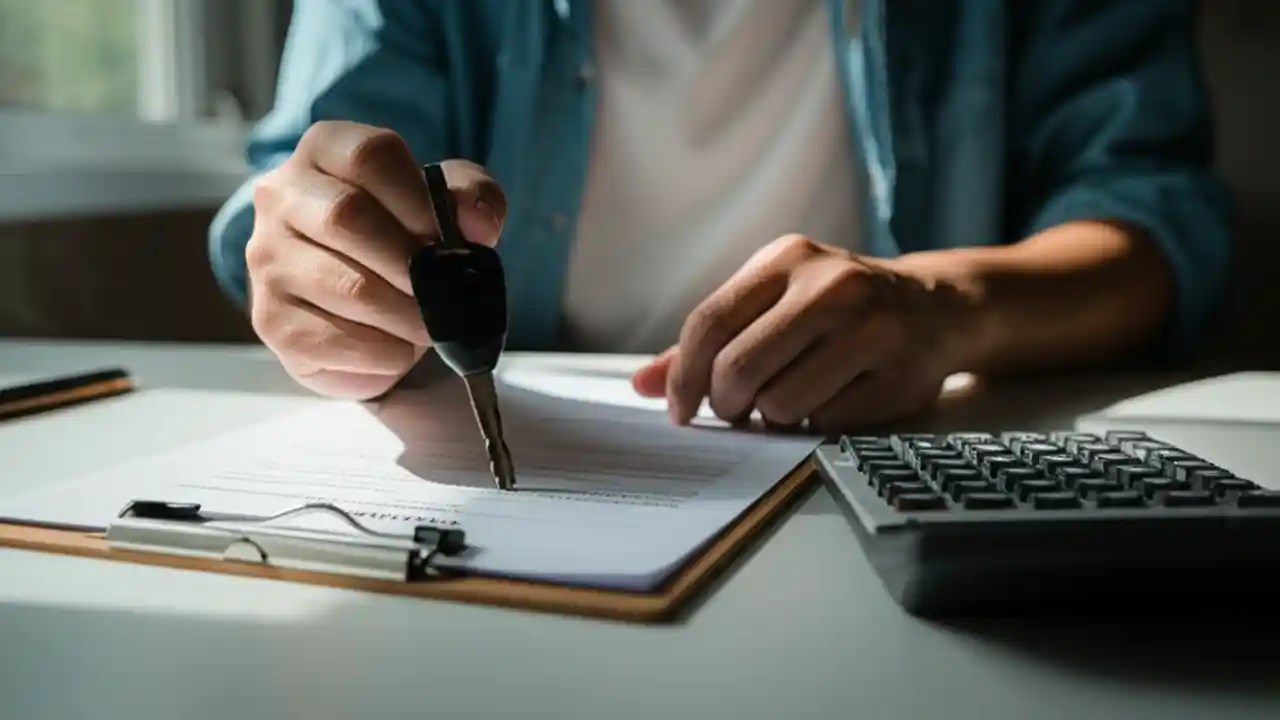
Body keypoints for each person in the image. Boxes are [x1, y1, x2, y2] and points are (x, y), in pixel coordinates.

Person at [209, 0, 1230, 431]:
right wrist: (307, 255)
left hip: (899, 460)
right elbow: (298, 186)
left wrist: (946, 304)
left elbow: (1153, 224)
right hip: (517, 485)